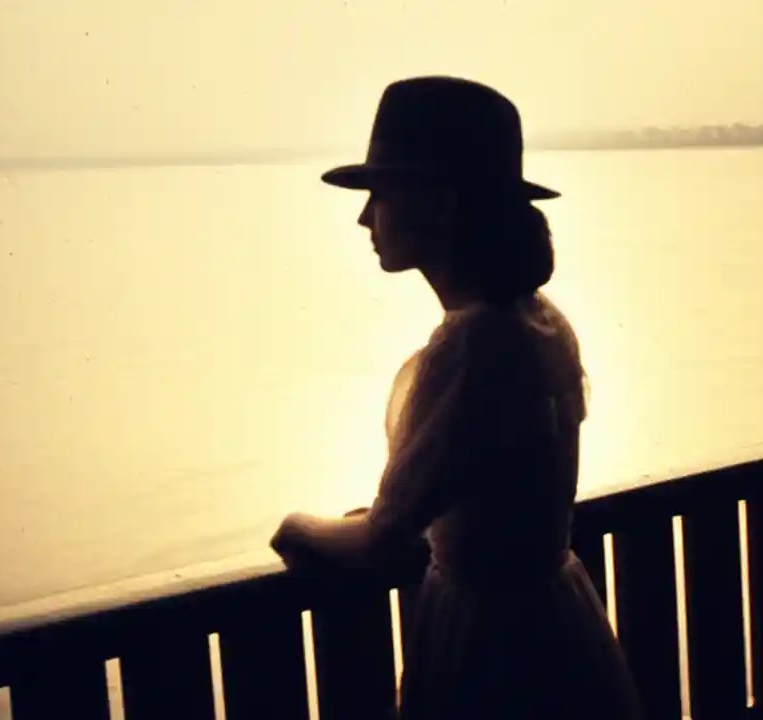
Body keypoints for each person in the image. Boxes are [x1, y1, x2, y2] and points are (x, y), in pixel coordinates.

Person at [269, 76, 643, 719]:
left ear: (439, 205)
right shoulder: (540, 320)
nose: (364, 218)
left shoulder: (470, 348)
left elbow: (384, 541)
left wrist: (297, 527)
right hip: (559, 621)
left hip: (491, 644)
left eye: (378, 196)